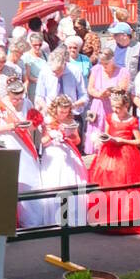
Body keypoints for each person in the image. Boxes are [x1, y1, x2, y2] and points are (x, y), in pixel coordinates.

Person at [0, 78, 46, 230]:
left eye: (20, 98)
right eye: (15, 99)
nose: (18, 101)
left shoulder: (27, 103)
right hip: (7, 145)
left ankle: (32, 220)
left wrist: (29, 126)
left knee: (28, 181)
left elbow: (32, 126)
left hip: (24, 146)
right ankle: (8, 221)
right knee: (9, 182)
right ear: (8, 94)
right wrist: (12, 126)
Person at [87, 89, 140, 233]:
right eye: (113, 107)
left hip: (126, 155)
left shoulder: (132, 121)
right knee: (106, 185)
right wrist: (102, 138)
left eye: (118, 108)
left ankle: (126, 220)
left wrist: (122, 140)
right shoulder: (110, 117)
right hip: (109, 154)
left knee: (125, 185)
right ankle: (104, 219)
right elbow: (107, 134)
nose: (115, 110)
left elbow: (139, 141)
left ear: (126, 105)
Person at [38, 94, 88, 228]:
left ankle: (71, 217)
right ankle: (55, 217)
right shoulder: (48, 121)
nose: (63, 115)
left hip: (67, 152)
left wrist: (67, 136)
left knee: (69, 180)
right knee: (55, 182)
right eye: (61, 111)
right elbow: (43, 141)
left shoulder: (70, 120)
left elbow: (77, 140)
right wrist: (52, 135)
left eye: (66, 112)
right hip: (53, 154)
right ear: (55, 109)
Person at [84, 46, 131, 156]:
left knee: (112, 131)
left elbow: (123, 89)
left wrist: (111, 93)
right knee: (97, 133)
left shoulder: (123, 72)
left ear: (112, 60)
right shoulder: (96, 69)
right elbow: (90, 88)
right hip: (98, 105)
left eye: (106, 63)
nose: (104, 66)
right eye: (102, 63)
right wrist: (99, 94)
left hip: (114, 106)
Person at [35, 46, 88, 115]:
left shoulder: (75, 71)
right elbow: (39, 95)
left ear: (64, 64)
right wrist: (46, 108)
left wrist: (74, 105)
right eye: (53, 72)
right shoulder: (44, 72)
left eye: (58, 71)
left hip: (71, 113)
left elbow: (84, 95)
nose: (55, 74)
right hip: (51, 113)